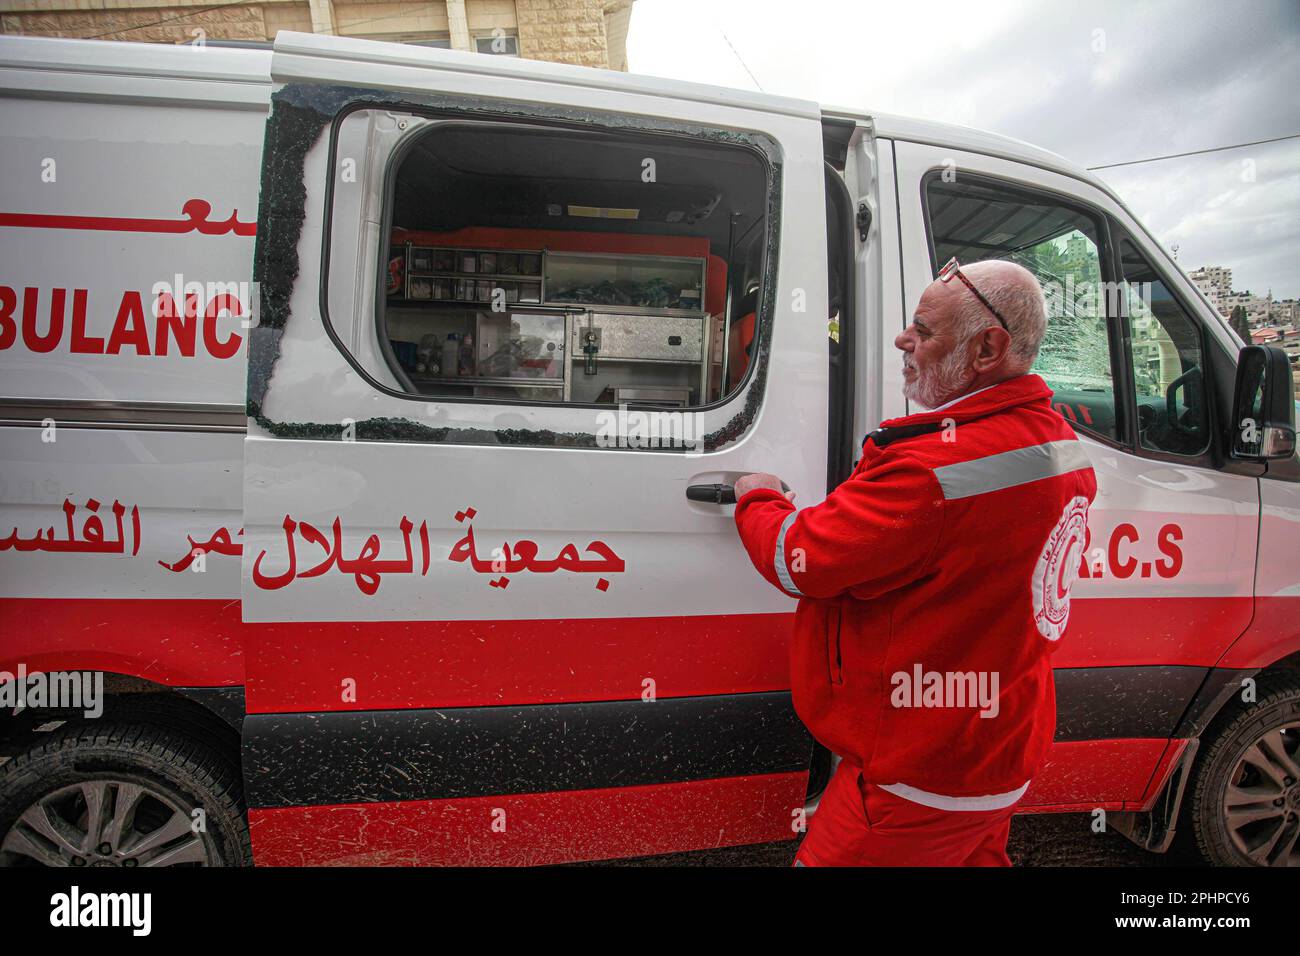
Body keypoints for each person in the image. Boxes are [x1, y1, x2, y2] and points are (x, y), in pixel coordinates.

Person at [733, 258, 1098, 866]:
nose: (903, 340)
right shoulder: (1059, 443)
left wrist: (758, 495)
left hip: (922, 769)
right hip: (1000, 747)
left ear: (989, 348)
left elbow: (796, 557)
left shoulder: (932, 470)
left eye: (924, 332)